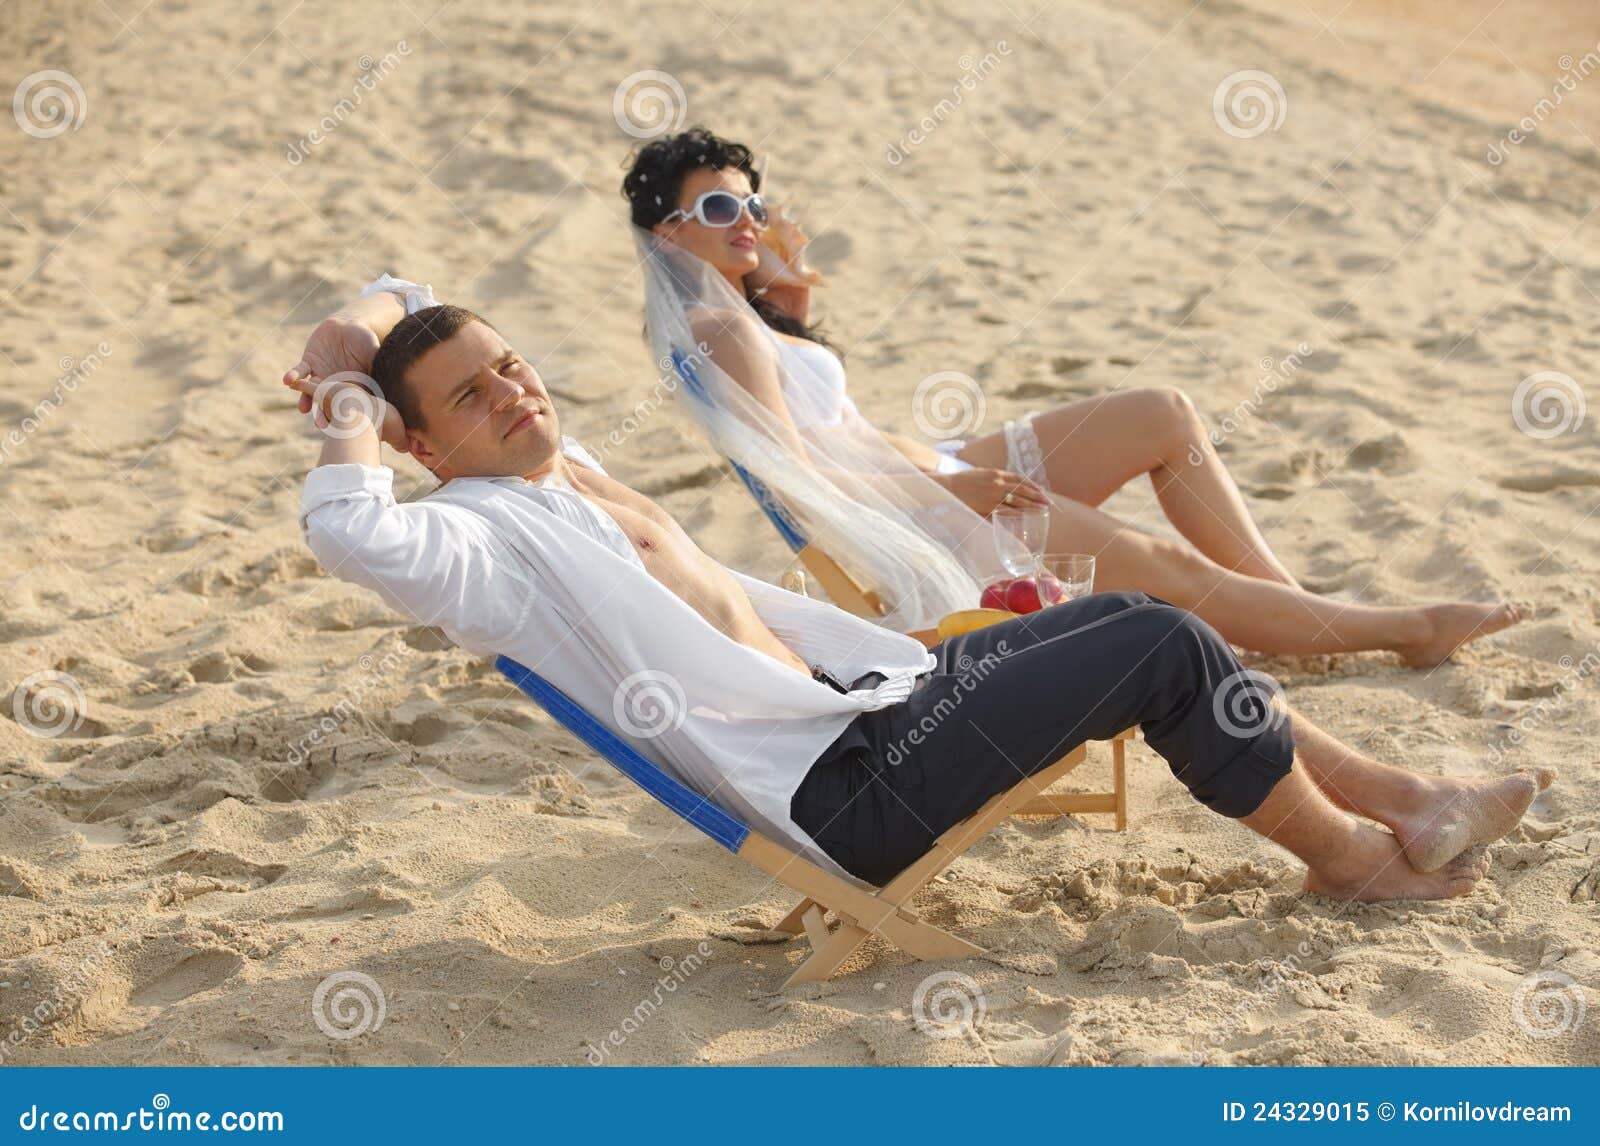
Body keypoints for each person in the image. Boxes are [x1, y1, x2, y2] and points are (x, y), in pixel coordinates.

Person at [280, 276, 1552, 901]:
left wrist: (355, 325)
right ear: (419, 445)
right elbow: (344, 528)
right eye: (472, 395)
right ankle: (1352, 860)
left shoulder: (558, 470)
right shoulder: (480, 540)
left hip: (874, 702)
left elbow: (405, 290)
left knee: (1112, 615)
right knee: (1160, 644)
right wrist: (344, 399)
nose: (512, 392)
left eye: (510, 365)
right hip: (849, 794)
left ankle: (1407, 797)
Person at [623, 127, 1521, 664]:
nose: (748, 221)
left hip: (937, 473)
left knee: (1163, 414)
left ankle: (1300, 608)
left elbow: (818, 408)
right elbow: (804, 473)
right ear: (668, 232)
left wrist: (784, 281)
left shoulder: (737, 315)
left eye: (752, 204)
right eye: (719, 210)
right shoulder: (719, 329)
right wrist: (953, 490)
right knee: (1168, 570)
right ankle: (1406, 627)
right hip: (921, 513)